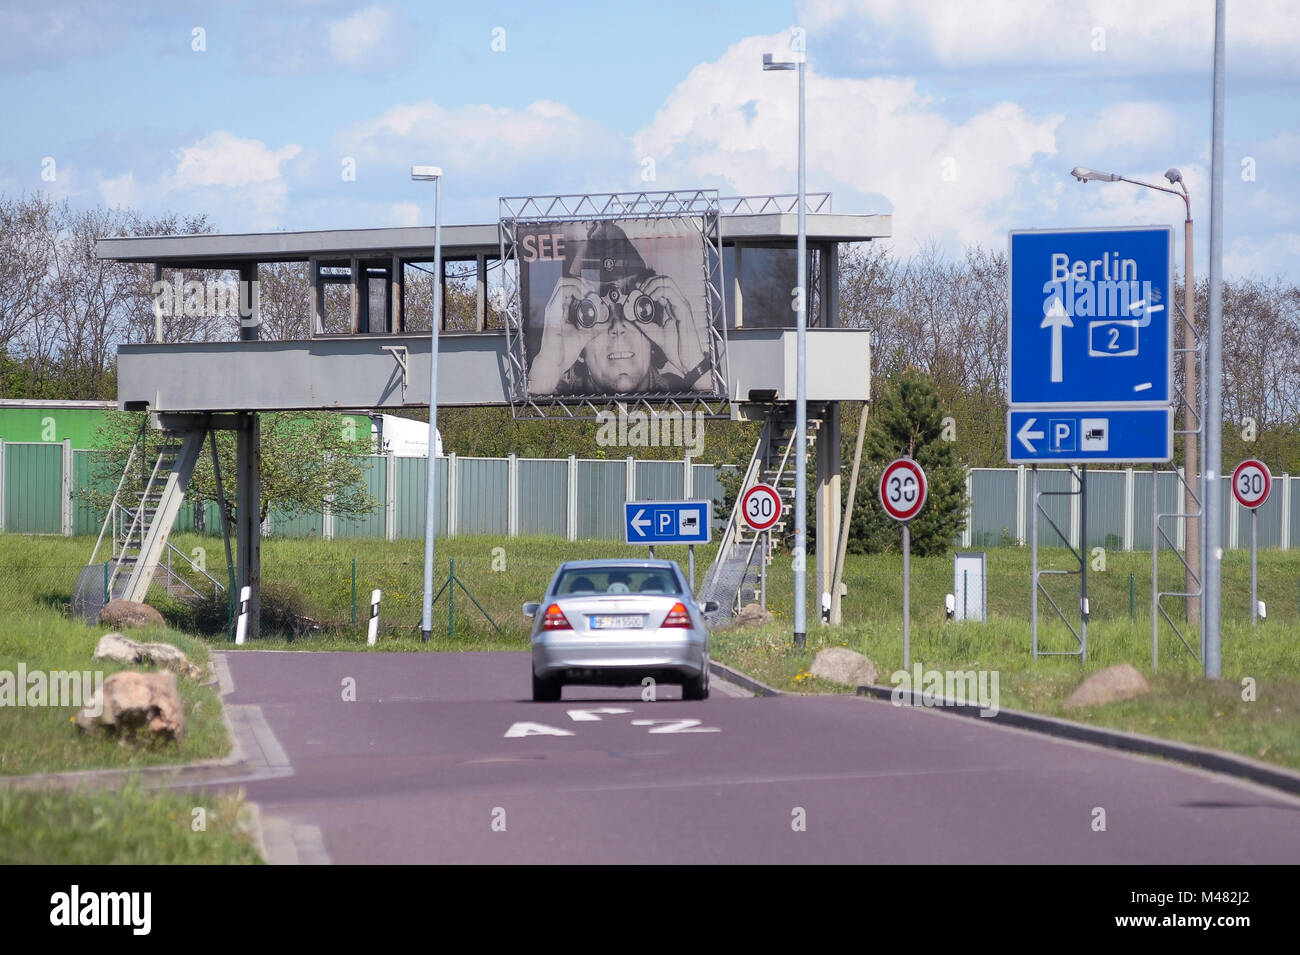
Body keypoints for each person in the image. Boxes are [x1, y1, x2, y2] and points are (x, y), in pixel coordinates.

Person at [525, 221, 711, 396]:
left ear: (655, 318)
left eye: (637, 309)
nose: (617, 327)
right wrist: (549, 366)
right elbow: (524, 420)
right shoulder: (553, 395)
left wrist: (693, 366)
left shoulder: (687, 390)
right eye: (593, 312)